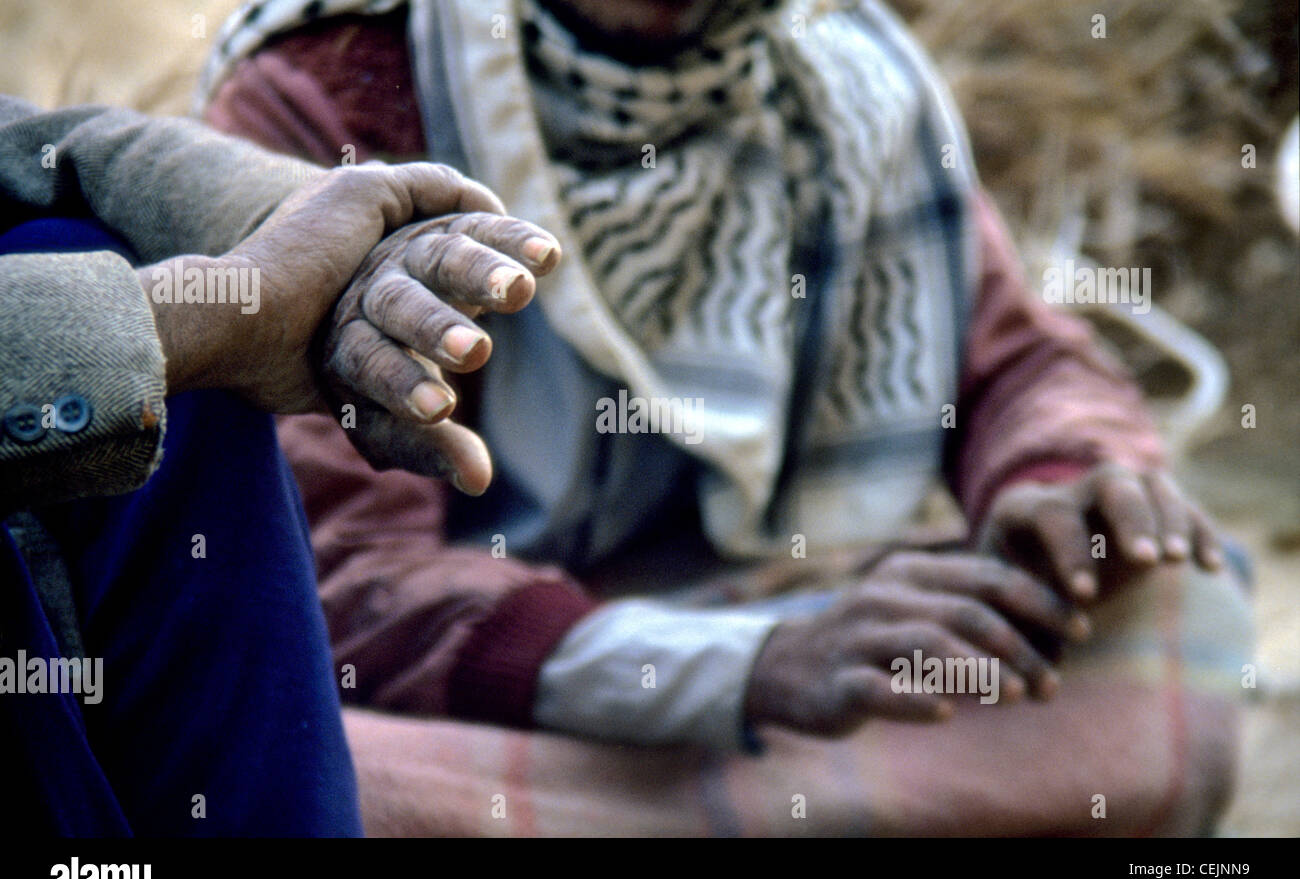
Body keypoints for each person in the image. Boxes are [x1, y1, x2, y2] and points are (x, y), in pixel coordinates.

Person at [198, 0, 1253, 835]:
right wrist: (749, 670)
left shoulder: (843, 81)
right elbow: (343, 583)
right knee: (310, 765)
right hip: (485, 668)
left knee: (1171, 608)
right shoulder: (333, 85)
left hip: (767, 605)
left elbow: (1016, 362)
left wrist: (1067, 479)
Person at [0, 94, 560, 835]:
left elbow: (33, 144)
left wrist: (317, 233)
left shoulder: (755, 113)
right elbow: (367, 569)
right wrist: (202, 321)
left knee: (75, 255)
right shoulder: (337, 79)